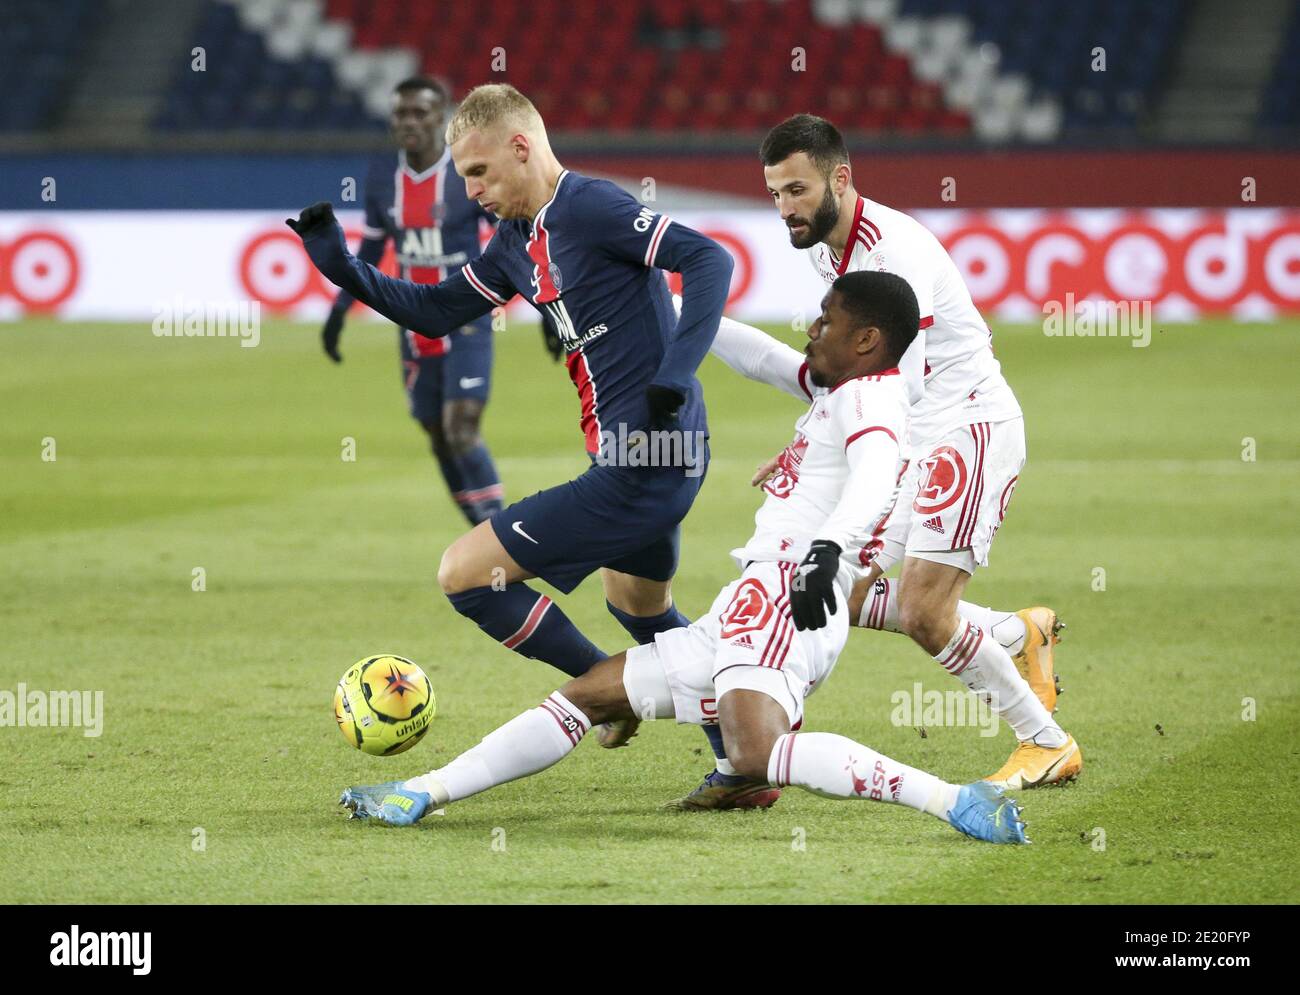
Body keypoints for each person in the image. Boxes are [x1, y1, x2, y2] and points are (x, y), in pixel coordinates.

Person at [338, 272, 1028, 847]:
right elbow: (752, 353)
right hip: (748, 605)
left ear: (867, 340)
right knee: (588, 694)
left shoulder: (871, 400)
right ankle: (420, 793)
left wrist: (827, 548)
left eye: (825, 320)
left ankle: (956, 800)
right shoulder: (845, 390)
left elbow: (877, 471)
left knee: (754, 753)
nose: (811, 329)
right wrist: (654, 308)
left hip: (788, 599)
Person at [670, 115, 1083, 810]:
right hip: (905, 433)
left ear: (840, 178)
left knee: (923, 610)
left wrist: (820, 441)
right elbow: (839, 374)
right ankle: (1014, 633)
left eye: (797, 189)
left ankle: (1045, 741)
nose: (785, 208)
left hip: (961, 427)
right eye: (774, 194)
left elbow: (903, 383)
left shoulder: (894, 253)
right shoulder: (829, 250)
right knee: (845, 592)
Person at [286, 84, 733, 691]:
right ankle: (740, 745)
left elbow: (708, 259)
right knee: (637, 607)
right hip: (641, 454)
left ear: (520, 148)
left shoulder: (590, 207)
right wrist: (346, 269)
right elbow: (437, 310)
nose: (470, 191)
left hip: (643, 459)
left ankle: (604, 690)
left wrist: (675, 374)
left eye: (478, 172)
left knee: (464, 574)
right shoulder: (515, 242)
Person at [319, 76, 508, 525]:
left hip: (467, 319)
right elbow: (368, 251)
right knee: (437, 435)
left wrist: (543, 302)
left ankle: (502, 538)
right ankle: (482, 532)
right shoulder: (384, 175)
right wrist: (338, 311)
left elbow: (511, 234)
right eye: (401, 112)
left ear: (441, 117)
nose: (409, 121)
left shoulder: (467, 170)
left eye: (420, 112)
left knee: (461, 430)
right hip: (412, 326)